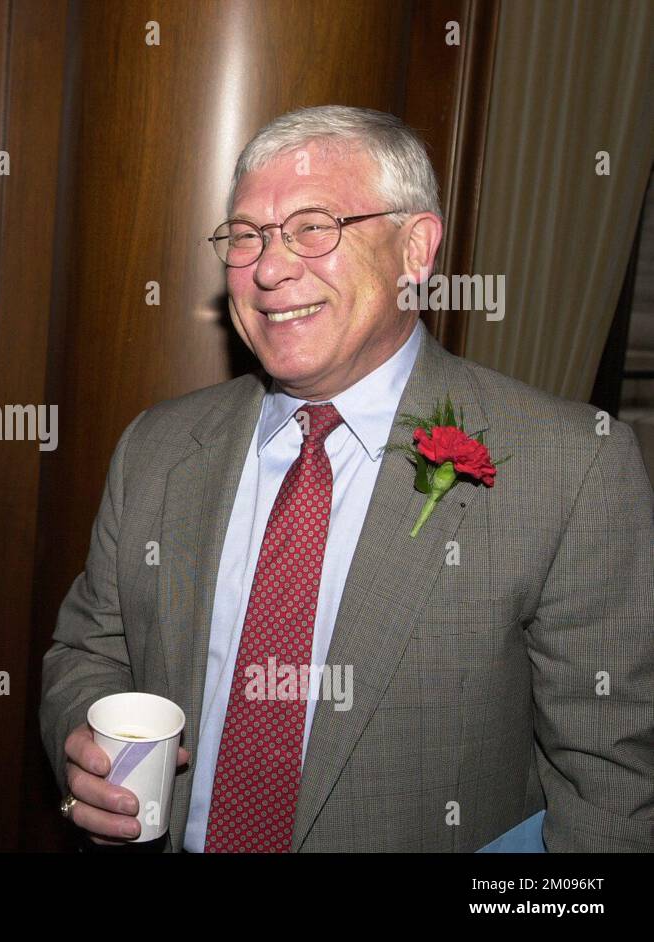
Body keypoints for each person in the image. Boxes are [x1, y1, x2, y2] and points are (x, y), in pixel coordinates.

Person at [40, 105, 654, 852]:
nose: (268, 268)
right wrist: (89, 745)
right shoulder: (160, 447)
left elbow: (609, 793)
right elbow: (90, 651)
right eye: (245, 236)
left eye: (313, 227)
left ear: (415, 249)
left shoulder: (568, 468)